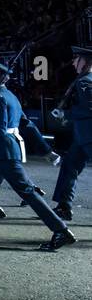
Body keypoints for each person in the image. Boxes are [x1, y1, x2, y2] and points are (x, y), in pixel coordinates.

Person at [0, 58, 75, 251]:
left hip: (4, 152)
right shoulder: (9, 97)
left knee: (27, 192)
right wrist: (46, 151)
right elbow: (28, 125)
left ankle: (61, 230)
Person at [51, 46, 92, 221]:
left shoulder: (86, 82)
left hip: (89, 136)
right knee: (69, 167)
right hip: (82, 137)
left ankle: (64, 206)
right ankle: (63, 206)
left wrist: (66, 114)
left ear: (87, 62)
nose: (74, 62)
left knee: (70, 168)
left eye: (77, 59)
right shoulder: (83, 80)